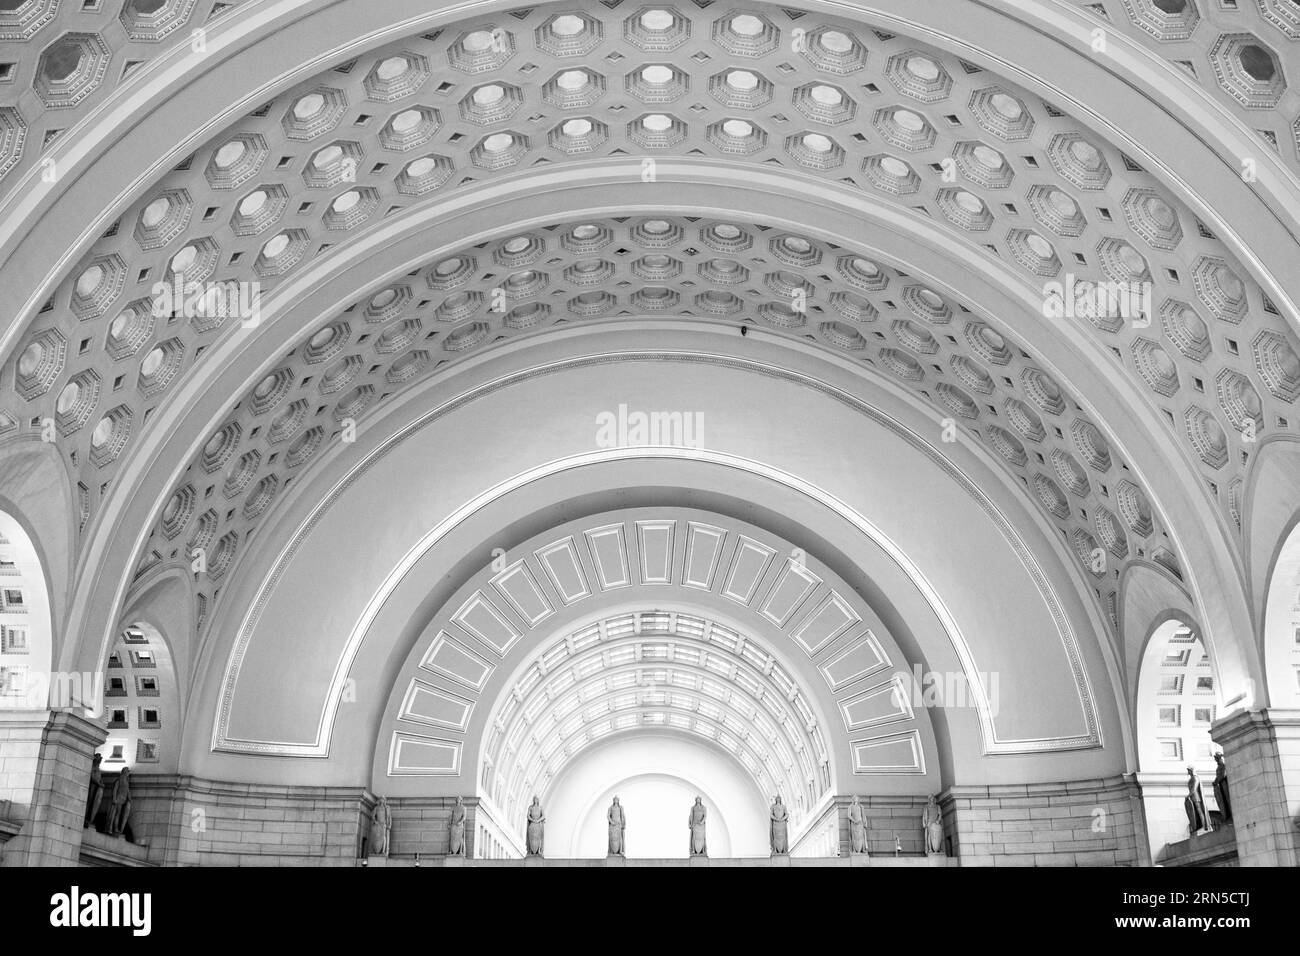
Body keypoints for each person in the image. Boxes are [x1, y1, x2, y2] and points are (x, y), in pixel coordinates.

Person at [108, 766, 132, 839]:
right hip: (118, 798)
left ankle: (115, 828)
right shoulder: (119, 780)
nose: (128, 773)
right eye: (127, 771)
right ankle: (111, 827)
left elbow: (127, 791)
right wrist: (114, 798)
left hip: (122, 800)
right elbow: (115, 789)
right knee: (114, 814)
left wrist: (129, 799)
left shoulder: (126, 781)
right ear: (124, 772)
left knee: (118, 814)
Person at [1184, 765, 1208, 836]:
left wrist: (1188, 795)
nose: (1188, 771)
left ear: (1191, 770)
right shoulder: (1191, 779)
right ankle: (1198, 826)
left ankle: (1204, 826)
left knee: (1199, 811)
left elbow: (1194, 789)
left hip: (1196, 797)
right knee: (1195, 813)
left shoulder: (1195, 778)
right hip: (1192, 797)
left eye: (1188, 770)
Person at [85, 753, 104, 830]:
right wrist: (99, 783)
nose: (99, 761)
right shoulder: (92, 767)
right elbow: (92, 776)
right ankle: (85, 817)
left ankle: (89, 819)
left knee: (93, 803)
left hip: (96, 788)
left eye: (100, 760)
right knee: (89, 802)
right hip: (92, 786)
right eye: (98, 759)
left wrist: (101, 782)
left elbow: (99, 777)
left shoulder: (98, 769)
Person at [1212, 753, 1232, 824]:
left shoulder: (1223, 765)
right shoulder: (1218, 767)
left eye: (1216, 758)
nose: (1215, 759)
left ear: (1219, 758)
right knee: (1223, 800)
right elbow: (1218, 776)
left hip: (1224, 784)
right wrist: (1215, 781)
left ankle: (1229, 814)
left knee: (1227, 799)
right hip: (1221, 785)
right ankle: (1227, 815)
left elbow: (1223, 775)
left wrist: (1216, 781)